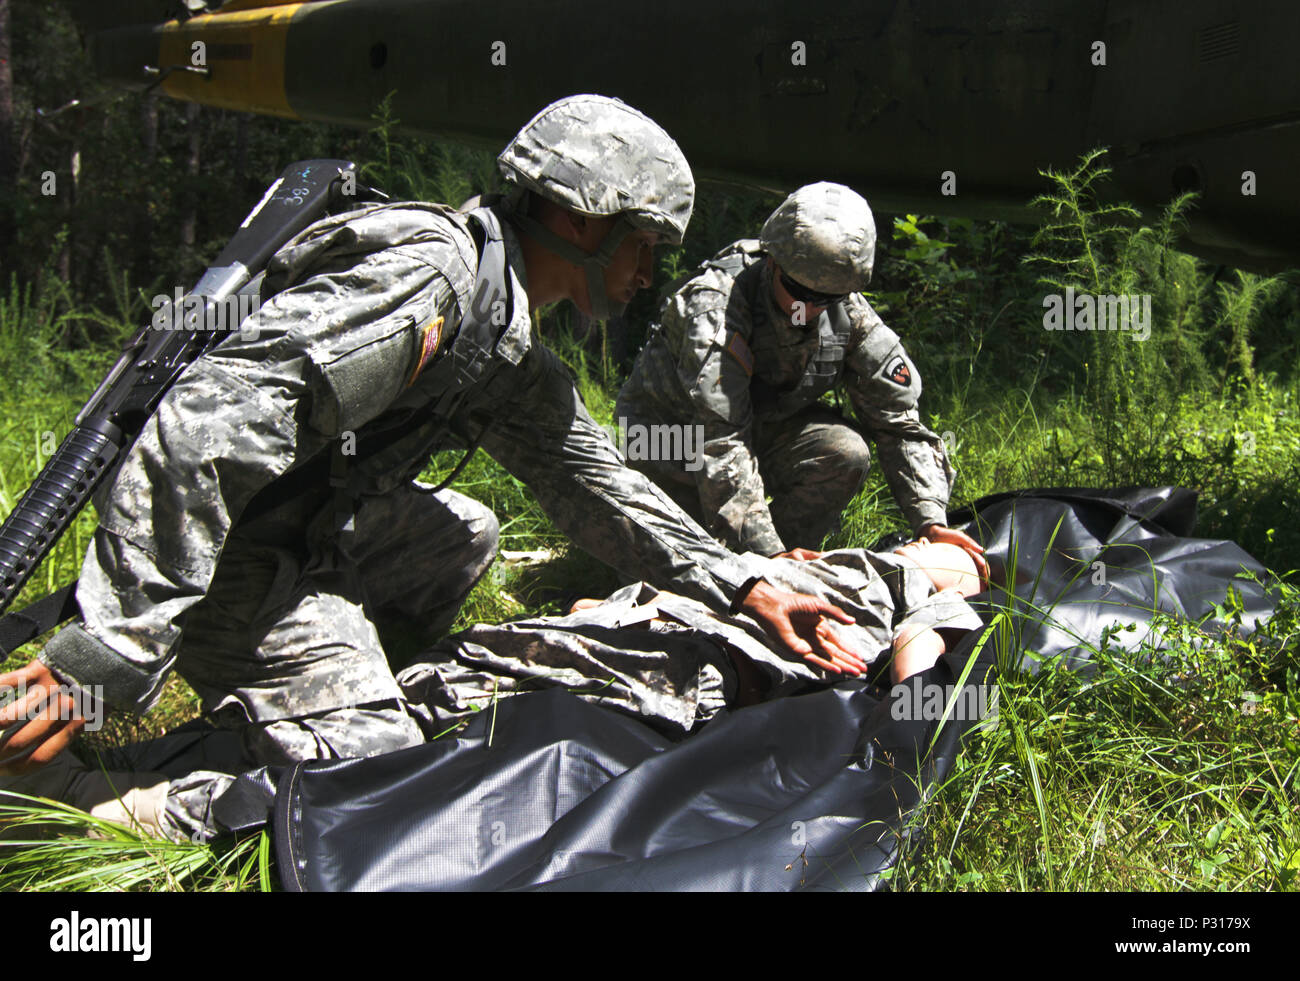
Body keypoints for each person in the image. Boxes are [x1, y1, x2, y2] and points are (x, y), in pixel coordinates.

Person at [0, 95, 859, 840]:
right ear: (585, 218)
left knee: (467, 534)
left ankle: (326, 680)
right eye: (644, 242)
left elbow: (593, 480)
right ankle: (83, 796)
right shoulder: (435, 281)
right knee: (381, 780)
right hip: (237, 543)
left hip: (307, 508)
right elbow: (210, 425)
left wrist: (740, 579)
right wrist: (106, 653)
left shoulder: (498, 327)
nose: (647, 272)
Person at [616, 182, 987, 577]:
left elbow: (899, 423)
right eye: (797, 291)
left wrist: (931, 521)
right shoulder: (716, 309)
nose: (806, 309)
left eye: (825, 299)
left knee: (843, 452)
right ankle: (748, 562)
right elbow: (720, 440)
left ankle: (787, 569)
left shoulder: (849, 315)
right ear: (772, 262)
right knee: (671, 579)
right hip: (668, 445)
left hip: (754, 433)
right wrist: (763, 552)